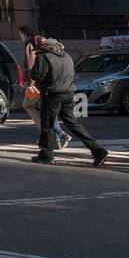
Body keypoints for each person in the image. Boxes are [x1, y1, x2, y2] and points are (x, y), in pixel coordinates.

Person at [31, 38, 108, 167]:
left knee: (47, 125)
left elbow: (38, 76)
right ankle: (98, 150)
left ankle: (47, 154)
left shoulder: (43, 57)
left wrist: (35, 73)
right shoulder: (66, 56)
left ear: (44, 47)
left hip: (52, 94)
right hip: (68, 93)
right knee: (72, 123)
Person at [18, 26, 70, 150]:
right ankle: (55, 140)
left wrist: (29, 84)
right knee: (46, 110)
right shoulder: (43, 42)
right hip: (47, 83)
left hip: (35, 85)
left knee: (27, 105)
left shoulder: (30, 45)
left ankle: (55, 134)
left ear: (23, 34)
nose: (20, 37)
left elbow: (30, 66)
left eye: (20, 34)